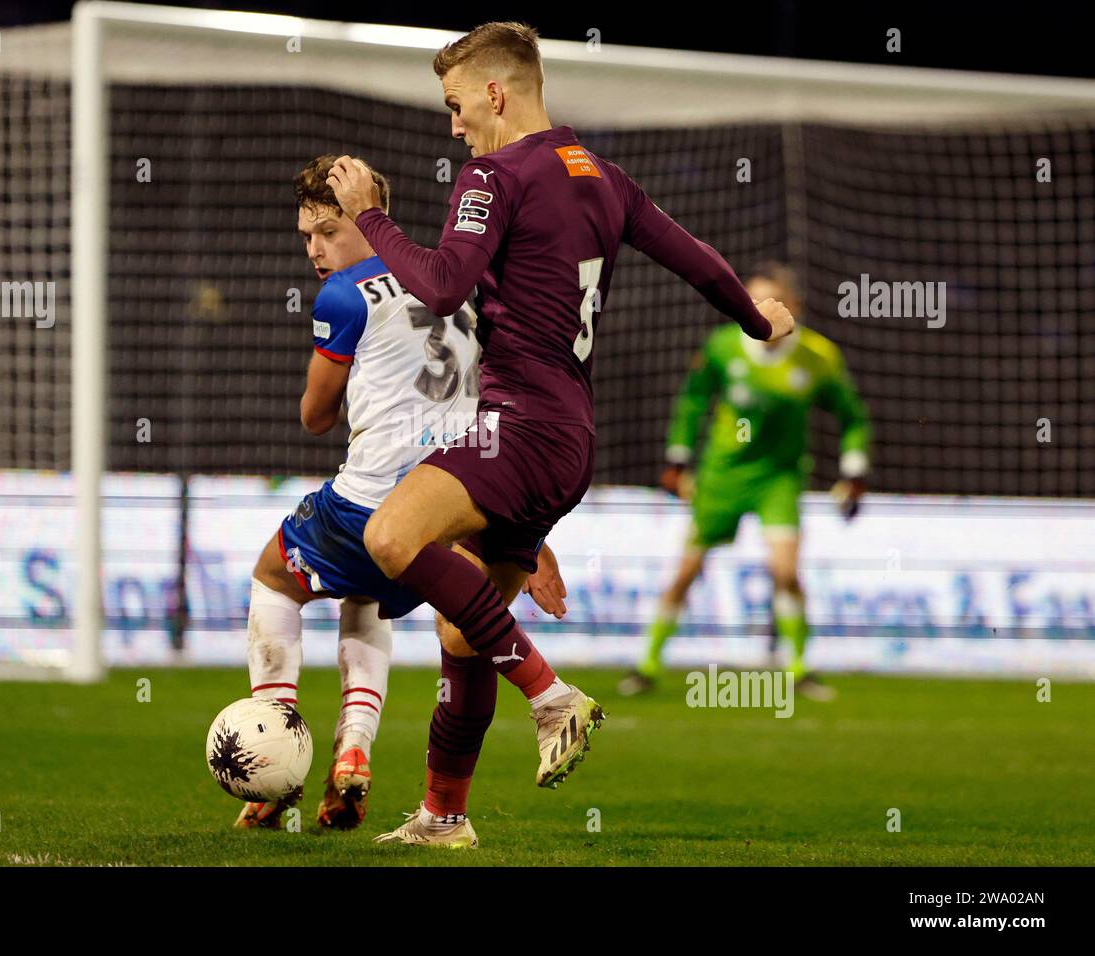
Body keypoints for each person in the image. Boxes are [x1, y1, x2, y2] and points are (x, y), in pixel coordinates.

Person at [325, 22, 794, 847]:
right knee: (460, 628)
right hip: (570, 438)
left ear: (498, 94)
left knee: (390, 535)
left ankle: (549, 694)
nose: (455, 124)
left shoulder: (493, 175)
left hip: (520, 426)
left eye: (457, 104)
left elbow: (440, 286)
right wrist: (758, 319)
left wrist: (370, 222)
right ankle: (443, 816)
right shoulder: (604, 178)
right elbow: (697, 261)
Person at [238, 153, 566, 831]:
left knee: (273, 577)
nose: (316, 250)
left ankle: (273, 753)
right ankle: (361, 757)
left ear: (366, 212)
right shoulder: (455, 284)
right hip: (452, 504)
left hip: (368, 505)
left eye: (327, 230)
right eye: (306, 236)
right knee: (372, 603)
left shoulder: (341, 297)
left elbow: (315, 416)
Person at [619, 262, 870, 701]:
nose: (755, 308)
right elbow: (694, 401)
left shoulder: (818, 357)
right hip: (723, 476)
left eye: (767, 299)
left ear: (792, 307)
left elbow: (852, 417)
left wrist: (853, 470)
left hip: (780, 477)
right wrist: (677, 460)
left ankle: (798, 669)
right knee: (685, 573)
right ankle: (647, 666)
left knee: (786, 572)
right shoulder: (722, 348)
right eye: (749, 299)